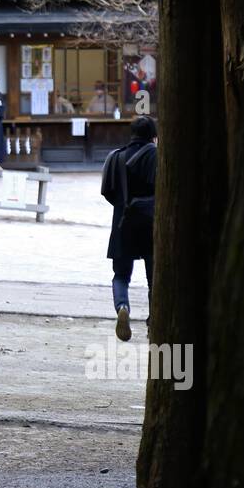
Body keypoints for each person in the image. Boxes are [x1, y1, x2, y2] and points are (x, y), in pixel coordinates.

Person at [100, 115, 157, 341]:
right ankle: (154, 319)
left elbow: (107, 192)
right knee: (154, 278)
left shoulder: (116, 157)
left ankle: (123, 306)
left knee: (121, 275)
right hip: (152, 224)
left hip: (123, 223)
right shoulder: (157, 156)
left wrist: (124, 205)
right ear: (153, 135)